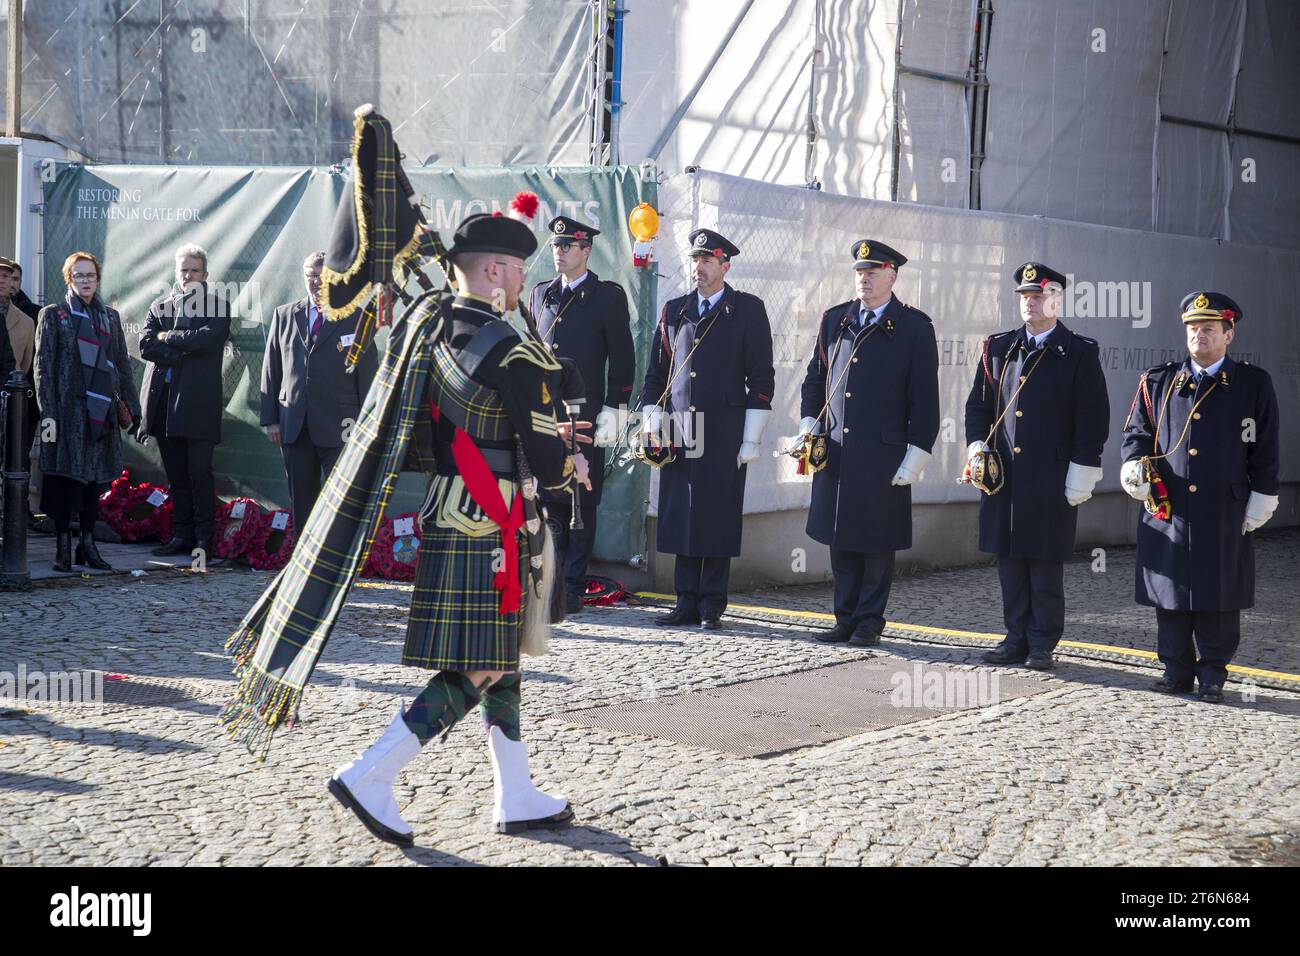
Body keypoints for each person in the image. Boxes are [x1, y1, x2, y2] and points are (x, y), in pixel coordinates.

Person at [328, 204, 593, 844]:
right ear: (496, 270)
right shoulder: (512, 349)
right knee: (478, 666)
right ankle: (371, 771)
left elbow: (465, 426)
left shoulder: (435, 332)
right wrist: (571, 461)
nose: (524, 281)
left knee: (498, 657)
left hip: (451, 510)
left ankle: (516, 790)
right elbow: (547, 457)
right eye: (520, 269)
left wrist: (536, 437)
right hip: (495, 522)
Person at [1120, 291, 1280, 703]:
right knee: (1170, 590)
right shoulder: (1158, 381)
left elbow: (1264, 447)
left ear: (1229, 334)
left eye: (1209, 328)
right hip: (1168, 505)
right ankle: (1175, 670)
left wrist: (1263, 494)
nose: (1199, 335)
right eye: (1193, 328)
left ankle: (1212, 673)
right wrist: (1134, 465)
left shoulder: (1251, 384)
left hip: (1223, 506)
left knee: (1218, 590)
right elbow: (1136, 434)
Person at [963, 262, 1110, 670]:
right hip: (1004, 476)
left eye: (1039, 296)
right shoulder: (999, 347)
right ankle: (1015, 637)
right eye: (1025, 296)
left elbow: (1092, 417)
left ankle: (1043, 641)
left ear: (1057, 301)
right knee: (1010, 560)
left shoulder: (1079, 352)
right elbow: (978, 406)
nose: (1030, 303)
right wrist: (978, 447)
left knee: (1044, 562)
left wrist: (1083, 469)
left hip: (1051, 476)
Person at [793, 239, 939, 647]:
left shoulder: (914, 327)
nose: (864, 279)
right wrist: (810, 424)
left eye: (872, 272)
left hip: (883, 452)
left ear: (892, 276)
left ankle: (869, 621)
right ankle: (845, 618)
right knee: (841, 537)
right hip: (838, 448)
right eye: (859, 272)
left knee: (876, 541)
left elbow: (925, 399)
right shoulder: (836, 320)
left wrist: (917, 452)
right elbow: (814, 380)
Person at [639, 228, 774, 630]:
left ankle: (713, 603)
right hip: (681, 428)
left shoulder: (747, 309)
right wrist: (651, 421)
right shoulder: (675, 309)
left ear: (725, 265)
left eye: (707, 260)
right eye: (695, 260)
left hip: (723, 428)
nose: (698, 267)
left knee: (716, 512)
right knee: (681, 511)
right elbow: (656, 373)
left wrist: (751, 436)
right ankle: (685, 601)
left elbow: (761, 378)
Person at [527, 215, 635, 613]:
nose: (559, 252)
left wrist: (614, 412)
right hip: (544, 414)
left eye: (567, 246)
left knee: (580, 499)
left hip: (583, 415)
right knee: (545, 496)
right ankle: (547, 581)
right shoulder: (541, 294)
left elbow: (623, 360)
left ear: (586, 251)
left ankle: (571, 585)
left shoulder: (606, 296)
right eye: (556, 246)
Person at [32, 252, 142, 571]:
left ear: (98, 278)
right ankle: (63, 547)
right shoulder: (54, 315)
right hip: (66, 414)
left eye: (90, 275)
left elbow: (122, 364)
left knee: (94, 483)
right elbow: (43, 368)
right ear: (69, 278)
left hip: (101, 413)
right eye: (78, 275)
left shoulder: (110, 316)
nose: (85, 280)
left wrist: (131, 407)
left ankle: (88, 545)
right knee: (66, 481)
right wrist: (48, 413)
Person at [261, 251, 377, 534]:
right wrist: (271, 420)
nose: (315, 283)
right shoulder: (284, 314)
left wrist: (367, 426)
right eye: (310, 276)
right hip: (294, 427)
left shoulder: (356, 318)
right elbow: (271, 369)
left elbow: (368, 377)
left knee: (342, 502)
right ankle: (304, 565)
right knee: (301, 502)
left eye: (321, 277)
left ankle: (338, 565)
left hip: (341, 427)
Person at [139, 244, 231, 563]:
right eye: (182, 270)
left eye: (193, 270)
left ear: (205, 274)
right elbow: (145, 344)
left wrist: (169, 338)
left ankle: (205, 539)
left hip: (199, 405)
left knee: (200, 472)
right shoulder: (160, 305)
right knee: (176, 475)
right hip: (164, 404)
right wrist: (180, 353)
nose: (187, 275)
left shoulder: (218, 306)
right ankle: (182, 535)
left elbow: (207, 339)